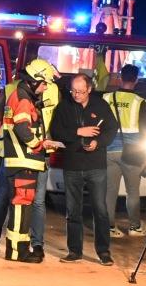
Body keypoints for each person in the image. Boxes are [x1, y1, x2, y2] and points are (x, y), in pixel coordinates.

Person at [0, 60, 60, 262]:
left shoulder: (42, 90)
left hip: (32, 155)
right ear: (35, 80)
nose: (46, 87)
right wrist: (36, 143)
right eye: (44, 83)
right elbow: (17, 125)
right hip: (24, 155)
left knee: (29, 202)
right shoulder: (18, 93)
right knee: (11, 200)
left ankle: (33, 246)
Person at [50, 73, 117, 265]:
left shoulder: (101, 106)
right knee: (73, 210)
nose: (76, 95)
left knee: (100, 209)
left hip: (96, 166)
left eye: (80, 91)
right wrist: (78, 132)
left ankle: (104, 252)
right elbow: (56, 131)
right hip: (72, 165)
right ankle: (74, 251)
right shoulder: (64, 106)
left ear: (89, 89)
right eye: (73, 91)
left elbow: (112, 128)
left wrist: (98, 142)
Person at [103, 64, 146, 237]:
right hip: (132, 153)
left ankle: (108, 227)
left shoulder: (106, 98)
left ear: (119, 78)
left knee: (110, 192)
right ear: (136, 80)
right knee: (133, 192)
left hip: (109, 150)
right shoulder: (140, 102)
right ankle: (135, 227)